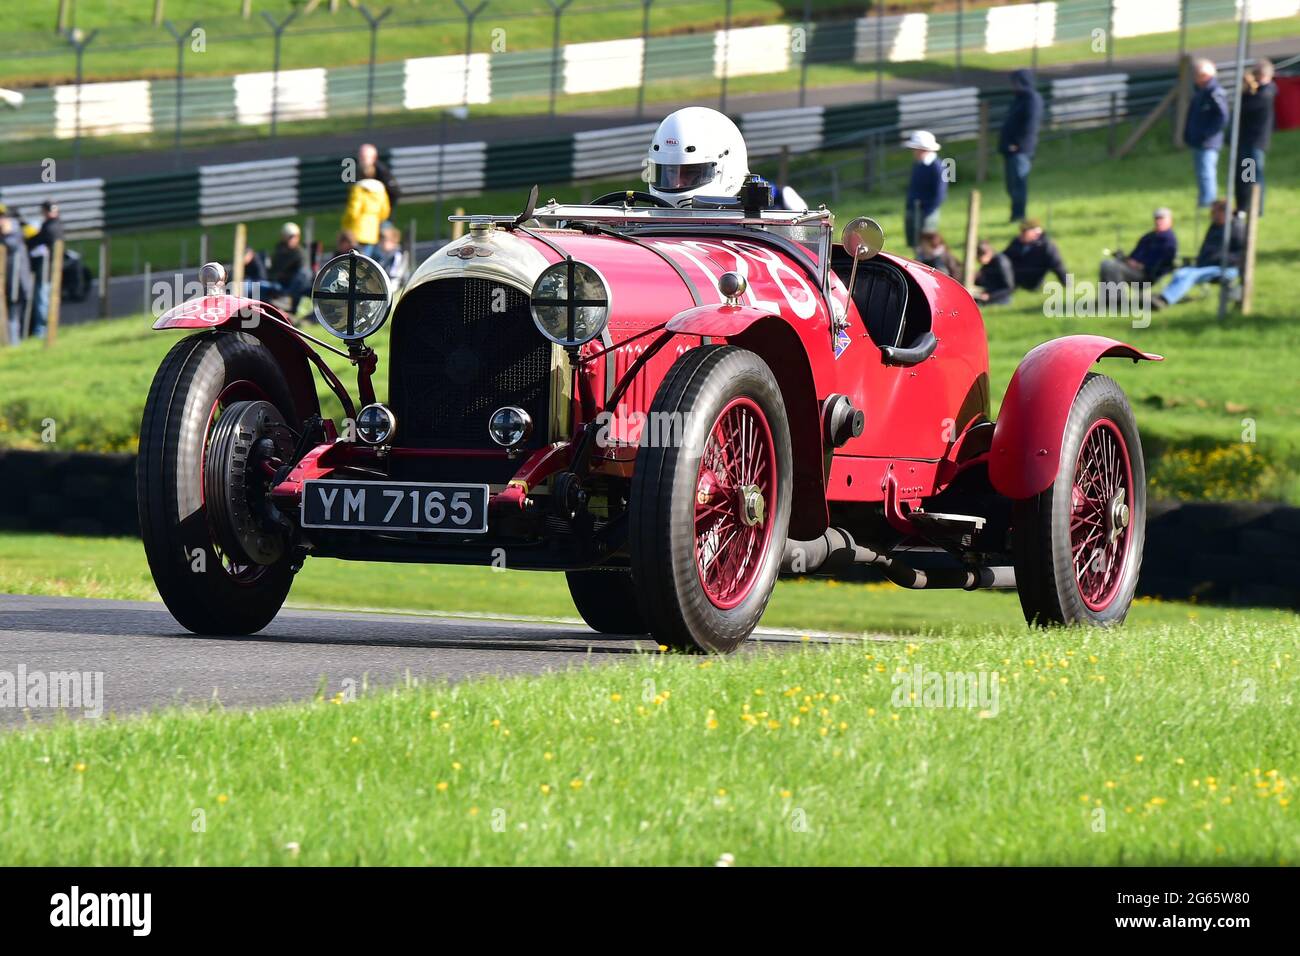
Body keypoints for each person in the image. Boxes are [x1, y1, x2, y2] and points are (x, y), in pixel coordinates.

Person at [644, 107, 749, 208]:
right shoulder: (641, 222)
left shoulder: (758, 221)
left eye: (690, 172)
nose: (676, 184)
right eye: (671, 172)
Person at [1152, 200, 1245, 310]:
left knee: (1190, 275)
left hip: (1225, 268)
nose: (1211, 215)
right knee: (1181, 273)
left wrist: (1217, 259)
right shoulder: (1215, 227)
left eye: (1214, 212)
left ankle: (1164, 300)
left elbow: (1241, 254)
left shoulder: (1237, 229)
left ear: (1224, 212)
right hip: (1206, 265)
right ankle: (1164, 297)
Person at [998, 69, 1043, 222]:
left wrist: (1019, 145)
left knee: (1018, 184)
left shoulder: (1032, 99)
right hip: (1010, 150)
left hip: (1020, 150)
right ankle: (1015, 213)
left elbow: (1030, 125)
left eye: (1016, 82)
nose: (1013, 86)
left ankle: (1018, 215)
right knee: (1011, 185)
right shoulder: (1019, 99)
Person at [1184, 58, 1229, 208]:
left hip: (1208, 142)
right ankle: (1204, 200)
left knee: (1206, 173)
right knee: (1202, 173)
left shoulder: (1214, 92)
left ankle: (1208, 203)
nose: (1195, 79)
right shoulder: (1201, 92)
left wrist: (1207, 134)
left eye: (1197, 75)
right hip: (1199, 140)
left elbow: (1222, 116)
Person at [1235, 59, 1276, 216]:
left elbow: (1245, 107)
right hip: (1249, 141)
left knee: (1250, 176)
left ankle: (1253, 207)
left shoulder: (1266, 92)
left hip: (1254, 142)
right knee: (1247, 175)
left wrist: (1248, 88)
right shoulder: (1262, 91)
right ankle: (1245, 206)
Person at [1100, 207, 1179, 285]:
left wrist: (1140, 265)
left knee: (1111, 267)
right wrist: (1123, 258)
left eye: (1162, 218)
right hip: (1134, 270)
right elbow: (1133, 257)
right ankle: (1108, 296)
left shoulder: (1169, 240)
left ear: (1170, 220)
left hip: (1147, 275)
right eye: (1156, 218)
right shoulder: (1148, 237)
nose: (1158, 221)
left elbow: (1163, 262)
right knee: (1106, 264)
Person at [24, 200, 63, 339]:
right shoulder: (57, 224)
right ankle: (46, 328)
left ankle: (41, 330)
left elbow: (36, 240)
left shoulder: (50, 226)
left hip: (47, 267)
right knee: (46, 297)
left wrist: (26, 240)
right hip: (52, 267)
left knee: (42, 298)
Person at [902, 130, 946, 249]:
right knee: (915, 244)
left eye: (915, 148)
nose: (913, 152)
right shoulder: (918, 164)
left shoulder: (937, 167)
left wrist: (926, 211)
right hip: (914, 209)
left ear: (923, 149)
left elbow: (940, 194)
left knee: (926, 245)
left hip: (927, 212)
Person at [1003, 219, 1067, 291]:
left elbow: (1058, 266)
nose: (1021, 234)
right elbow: (1004, 257)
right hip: (1012, 280)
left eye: (1024, 232)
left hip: (1031, 283)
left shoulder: (1046, 247)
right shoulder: (1017, 242)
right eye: (1021, 231)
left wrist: (1067, 284)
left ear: (1036, 232)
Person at [1, 208, 33, 344]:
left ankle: (14, 342)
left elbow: (12, 245)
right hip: (9, 279)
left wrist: (6, 233)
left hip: (16, 280)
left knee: (14, 311)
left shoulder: (12, 230)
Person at [340, 178, 390, 257]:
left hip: (357, 229)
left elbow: (353, 211)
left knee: (357, 258)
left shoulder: (358, 189)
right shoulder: (381, 190)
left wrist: (345, 224)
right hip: (372, 231)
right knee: (367, 257)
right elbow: (385, 211)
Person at [357, 143, 401, 214]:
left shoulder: (381, 171)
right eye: (360, 157)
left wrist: (384, 209)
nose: (361, 160)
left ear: (374, 158)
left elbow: (395, 192)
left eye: (364, 157)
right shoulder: (359, 170)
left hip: (381, 216)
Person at [971, 240, 1016, 306]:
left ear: (988, 253)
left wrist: (990, 296)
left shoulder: (1001, 263)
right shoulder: (989, 262)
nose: (978, 261)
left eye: (979, 258)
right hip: (987, 291)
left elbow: (1009, 288)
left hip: (1000, 298)